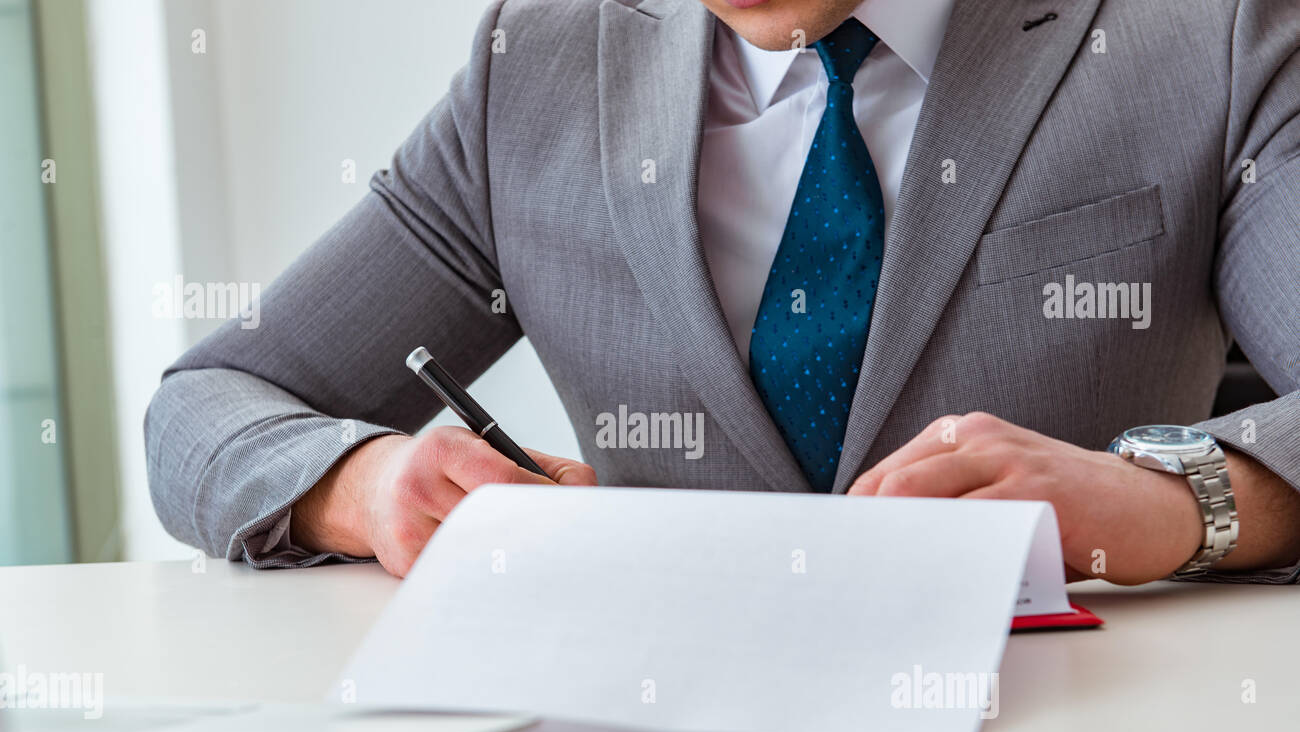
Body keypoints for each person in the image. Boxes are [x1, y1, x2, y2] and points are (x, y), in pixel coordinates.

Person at [145, 0, 1300, 583]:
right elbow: (210, 404)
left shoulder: (1207, 35)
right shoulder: (540, 62)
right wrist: (373, 485)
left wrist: (1172, 504)